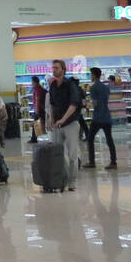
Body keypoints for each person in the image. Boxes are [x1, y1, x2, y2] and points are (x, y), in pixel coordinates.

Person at [47, 59, 83, 191]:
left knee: (72, 154)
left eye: (56, 68)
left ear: (63, 69)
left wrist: (63, 119)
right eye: (53, 68)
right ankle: (62, 179)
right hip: (57, 125)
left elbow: (73, 105)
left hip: (71, 124)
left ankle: (72, 182)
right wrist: (52, 120)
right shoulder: (52, 85)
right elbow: (52, 104)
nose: (54, 70)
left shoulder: (70, 85)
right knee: (58, 154)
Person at [85, 66, 117, 169]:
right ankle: (113, 162)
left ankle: (92, 161)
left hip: (98, 117)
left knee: (90, 139)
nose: (91, 76)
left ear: (94, 75)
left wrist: (86, 103)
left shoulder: (93, 88)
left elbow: (95, 104)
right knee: (109, 139)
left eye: (91, 74)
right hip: (107, 116)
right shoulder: (106, 87)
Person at [29, 75, 46, 144]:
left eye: (32, 82)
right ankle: (34, 138)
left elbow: (37, 100)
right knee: (38, 123)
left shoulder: (38, 89)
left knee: (36, 123)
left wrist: (37, 110)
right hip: (41, 109)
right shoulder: (38, 88)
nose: (31, 83)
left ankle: (34, 139)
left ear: (34, 82)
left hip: (40, 109)